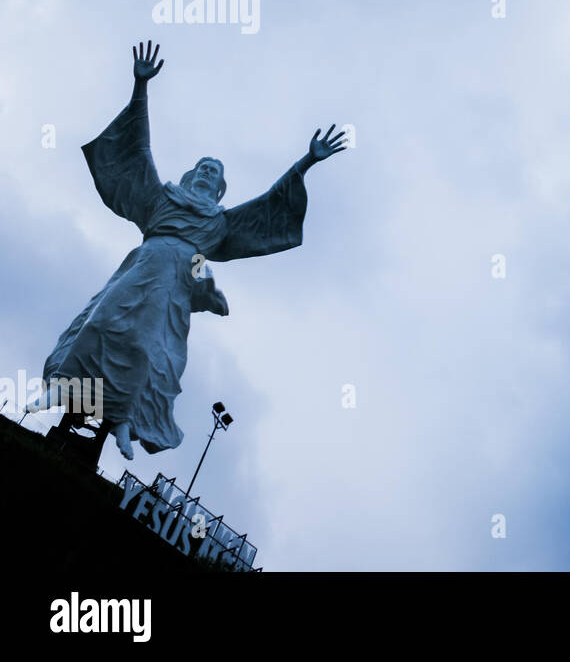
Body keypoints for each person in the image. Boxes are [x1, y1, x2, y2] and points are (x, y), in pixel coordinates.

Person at [28, 41, 347, 459]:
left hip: (170, 291)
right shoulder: (162, 199)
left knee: (143, 350)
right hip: (140, 269)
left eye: (213, 173)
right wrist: (140, 84)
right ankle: (64, 405)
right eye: (201, 167)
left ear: (218, 190)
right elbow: (137, 148)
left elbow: (267, 205)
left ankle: (112, 427)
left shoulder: (219, 224)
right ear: (190, 174)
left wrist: (307, 162)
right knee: (102, 327)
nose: (205, 173)